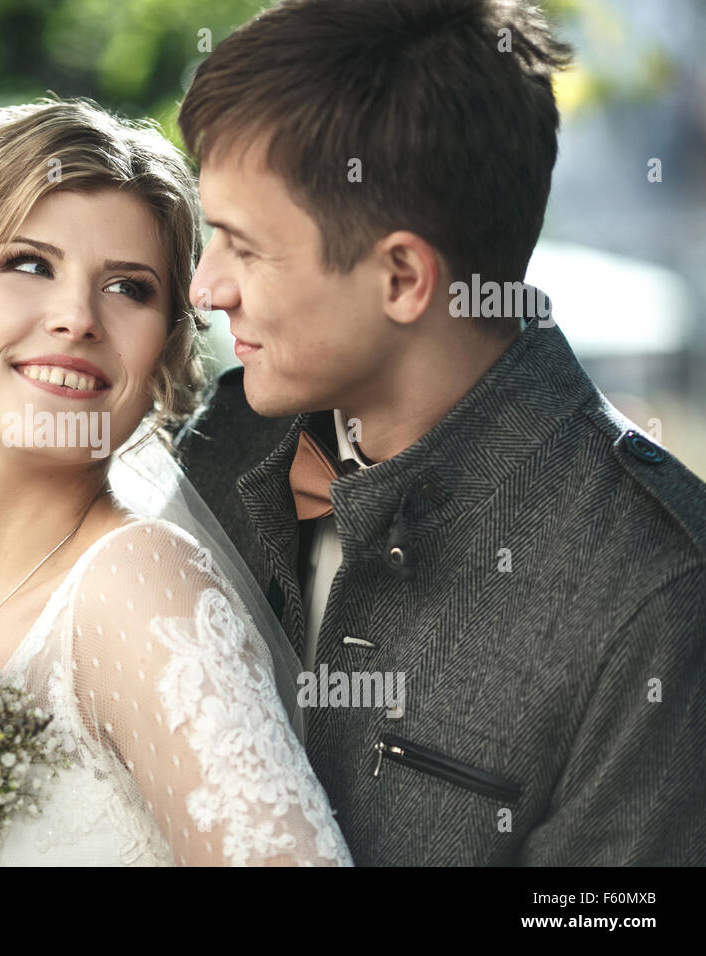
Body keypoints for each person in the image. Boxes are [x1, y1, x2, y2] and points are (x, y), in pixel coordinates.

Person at [174, 0, 706, 865]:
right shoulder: (218, 441)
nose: (205, 288)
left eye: (244, 247)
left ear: (402, 278)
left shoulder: (661, 593)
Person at [0, 96, 352, 866]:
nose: (78, 316)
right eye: (28, 264)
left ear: (162, 354)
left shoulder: (134, 583)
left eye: (128, 288)